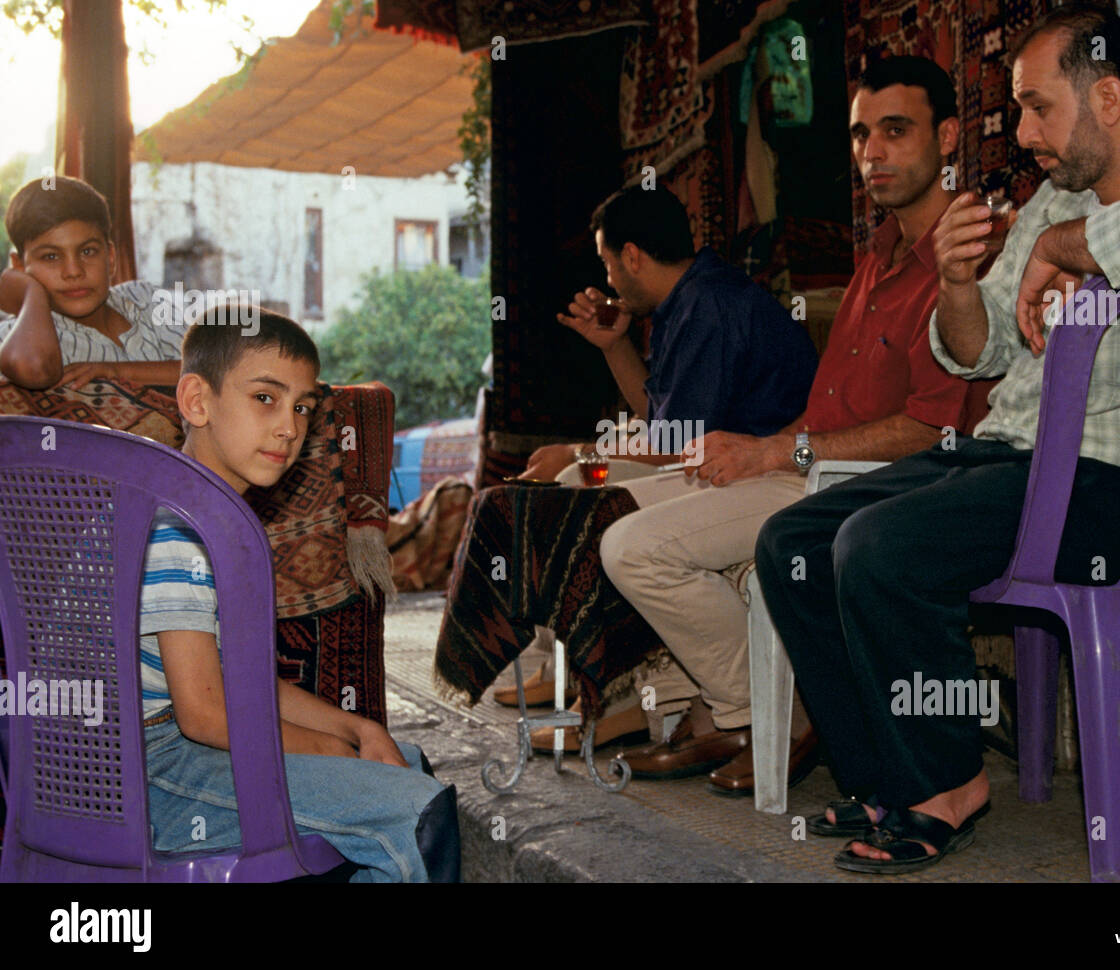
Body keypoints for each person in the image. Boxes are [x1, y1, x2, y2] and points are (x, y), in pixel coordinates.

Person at [755, 2, 1120, 874]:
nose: (1026, 131)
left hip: (1113, 486)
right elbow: (978, 351)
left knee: (878, 548)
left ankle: (948, 782)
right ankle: (890, 774)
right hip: (1007, 459)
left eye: (1039, 107)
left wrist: (1065, 248)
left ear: (1107, 96)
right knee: (794, 542)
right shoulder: (1048, 204)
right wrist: (959, 282)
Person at [601, 56, 991, 788]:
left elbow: (933, 430)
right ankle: (707, 708)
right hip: (805, 463)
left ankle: (775, 706)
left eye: (895, 131)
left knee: (633, 546)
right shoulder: (878, 252)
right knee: (607, 507)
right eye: (860, 135)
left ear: (949, 137)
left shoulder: (963, 255)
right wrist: (762, 450)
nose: (871, 152)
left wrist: (779, 451)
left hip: (866, 484)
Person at [141, 306, 460, 882]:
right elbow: (205, 714)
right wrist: (324, 747)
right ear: (196, 400)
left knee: (404, 763)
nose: (290, 427)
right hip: (144, 773)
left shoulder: (216, 519)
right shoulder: (177, 530)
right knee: (418, 812)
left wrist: (355, 728)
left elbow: (239, 682)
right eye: (265, 397)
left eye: (304, 406)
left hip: (171, 751)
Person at [500, 185, 818, 718]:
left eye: (606, 263)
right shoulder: (684, 300)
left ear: (630, 256)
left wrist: (580, 451)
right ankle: (563, 667)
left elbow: (677, 448)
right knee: (565, 488)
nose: (608, 281)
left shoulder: (709, 305)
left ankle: (745, 701)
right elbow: (662, 427)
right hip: (717, 461)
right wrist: (616, 345)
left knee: (578, 490)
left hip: (770, 470)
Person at [0, 176, 183, 390]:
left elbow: (220, 368)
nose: (74, 271)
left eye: (88, 251)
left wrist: (117, 371)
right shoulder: (16, 338)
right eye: (50, 257)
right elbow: (34, 369)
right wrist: (31, 294)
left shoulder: (143, 298)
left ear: (111, 257)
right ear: (19, 267)